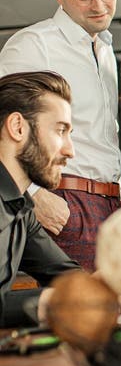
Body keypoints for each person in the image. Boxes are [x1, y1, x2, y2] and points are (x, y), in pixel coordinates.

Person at [0, 0, 121, 269]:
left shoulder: (106, 51)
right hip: (64, 200)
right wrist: (34, 198)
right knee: (75, 312)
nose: (99, 4)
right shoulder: (33, 46)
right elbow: (4, 130)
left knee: (114, 311)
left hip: (111, 205)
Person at [0, 72, 80, 327]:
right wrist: (50, 303)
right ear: (18, 127)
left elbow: (69, 279)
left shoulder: (21, 208)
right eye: (60, 130)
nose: (70, 150)